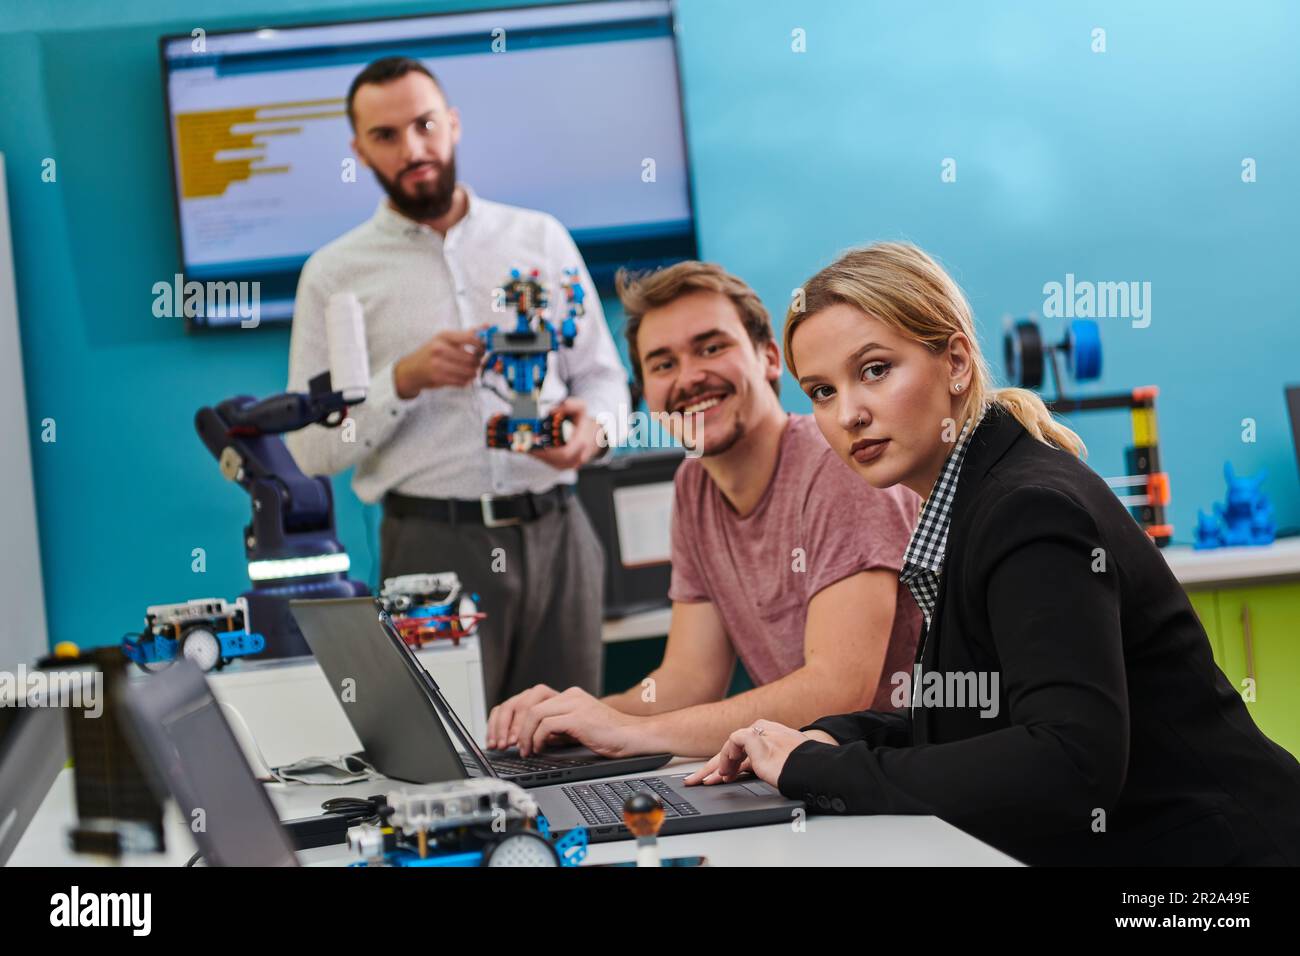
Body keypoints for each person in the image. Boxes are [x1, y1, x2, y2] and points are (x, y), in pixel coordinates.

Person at [687, 241, 1300, 866]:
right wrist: (828, 738)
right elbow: (972, 720)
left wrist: (820, 769)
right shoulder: (972, 497)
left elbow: (1069, 761)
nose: (849, 414)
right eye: (820, 391)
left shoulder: (1026, 509)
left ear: (955, 361)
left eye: (874, 370)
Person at [286, 57, 629, 707]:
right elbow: (311, 452)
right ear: (359, 151)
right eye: (386, 136)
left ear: (453, 123)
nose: (413, 149)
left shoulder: (540, 239)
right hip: (430, 549)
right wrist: (400, 382)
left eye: (424, 125)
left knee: (572, 748)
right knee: (451, 753)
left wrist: (592, 433)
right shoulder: (334, 275)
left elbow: (604, 379)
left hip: (561, 536)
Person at [486, 261, 921, 759]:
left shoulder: (836, 467)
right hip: (816, 774)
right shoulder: (695, 484)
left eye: (712, 348)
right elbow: (688, 680)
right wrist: (577, 717)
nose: (689, 377)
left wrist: (634, 733)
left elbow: (838, 692)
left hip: (901, 780)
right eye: (663, 364)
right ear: (646, 393)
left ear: (770, 359)